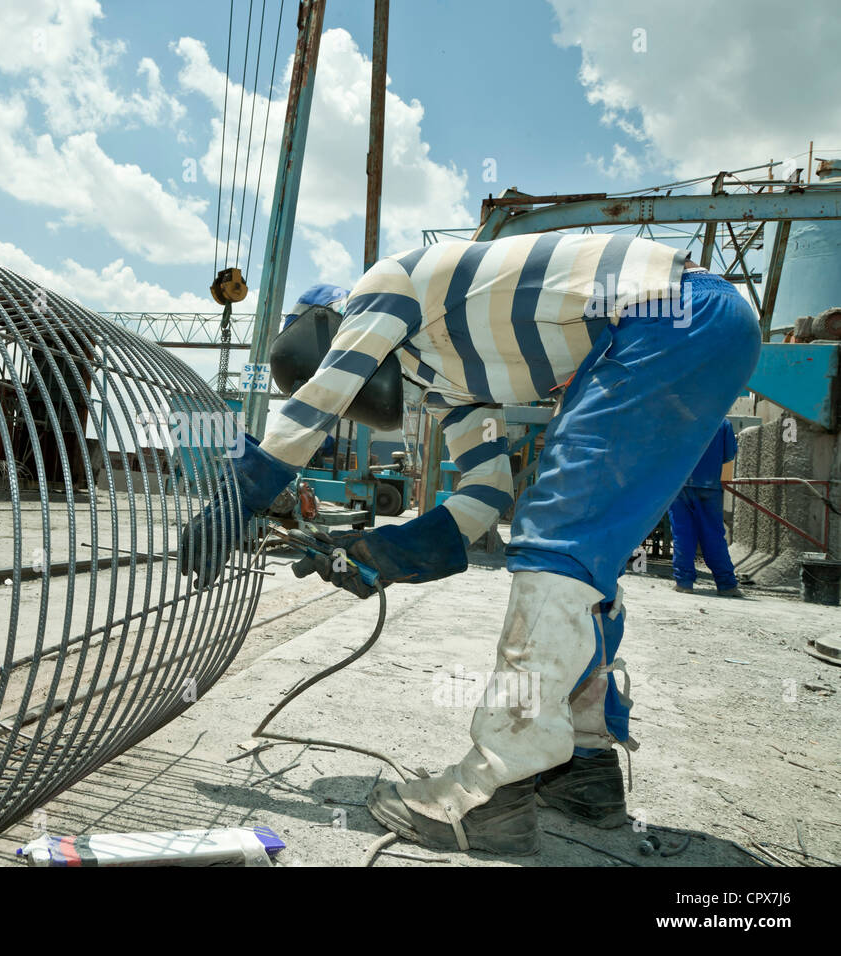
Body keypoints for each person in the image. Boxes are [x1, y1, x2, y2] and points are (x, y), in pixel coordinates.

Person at [178, 234, 761, 855]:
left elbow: (318, 400)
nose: (354, 402)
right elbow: (487, 492)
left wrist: (236, 499)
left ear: (325, 330)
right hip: (689, 328)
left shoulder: (385, 286)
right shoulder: (454, 383)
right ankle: (582, 771)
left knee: (559, 537)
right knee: (582, 555)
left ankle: (493, 789)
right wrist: (387, 553)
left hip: (667, 317)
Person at [669, 417, 742, 596]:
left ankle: (684, 582)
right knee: (714, 535)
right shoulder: (723, 422)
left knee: (682, 533)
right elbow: (729, 455)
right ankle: (727, 585)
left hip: (680, 485)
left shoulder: (678, 419)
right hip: (710, 487)